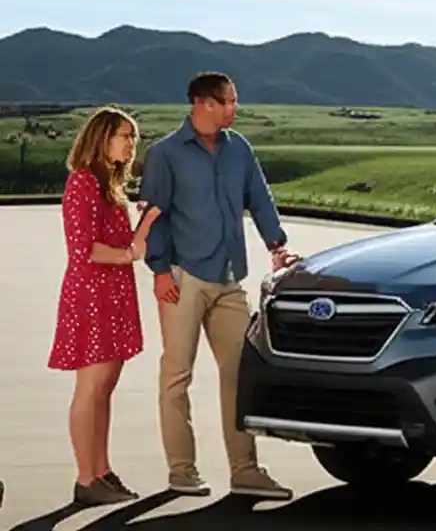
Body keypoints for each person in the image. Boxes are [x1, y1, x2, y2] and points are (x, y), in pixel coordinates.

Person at [139, 71, 298, 500]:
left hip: (230, 277)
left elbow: (260, 199)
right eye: (228, 101)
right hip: (182, 276)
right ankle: (181, 471)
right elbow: (154, 214)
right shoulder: (166, 154)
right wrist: (158, 271)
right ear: (202, 102)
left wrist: (277, 245)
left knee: (241, 372)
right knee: (177, 375)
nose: (234, 108)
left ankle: (245, 471)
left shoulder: (239, 149)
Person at [49, 106, 163, 506]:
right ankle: (86, 478)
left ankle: (102, 471)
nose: (131, 145)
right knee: (91, 388)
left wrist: (144, 226)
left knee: (105, 389)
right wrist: (130, 252)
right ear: (101, 138)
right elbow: (84, 250)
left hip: (113, 295)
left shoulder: (110, 186)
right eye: (124, 136)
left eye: (133, 137)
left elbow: (124, 244)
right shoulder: (81, 183)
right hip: (92, 296)